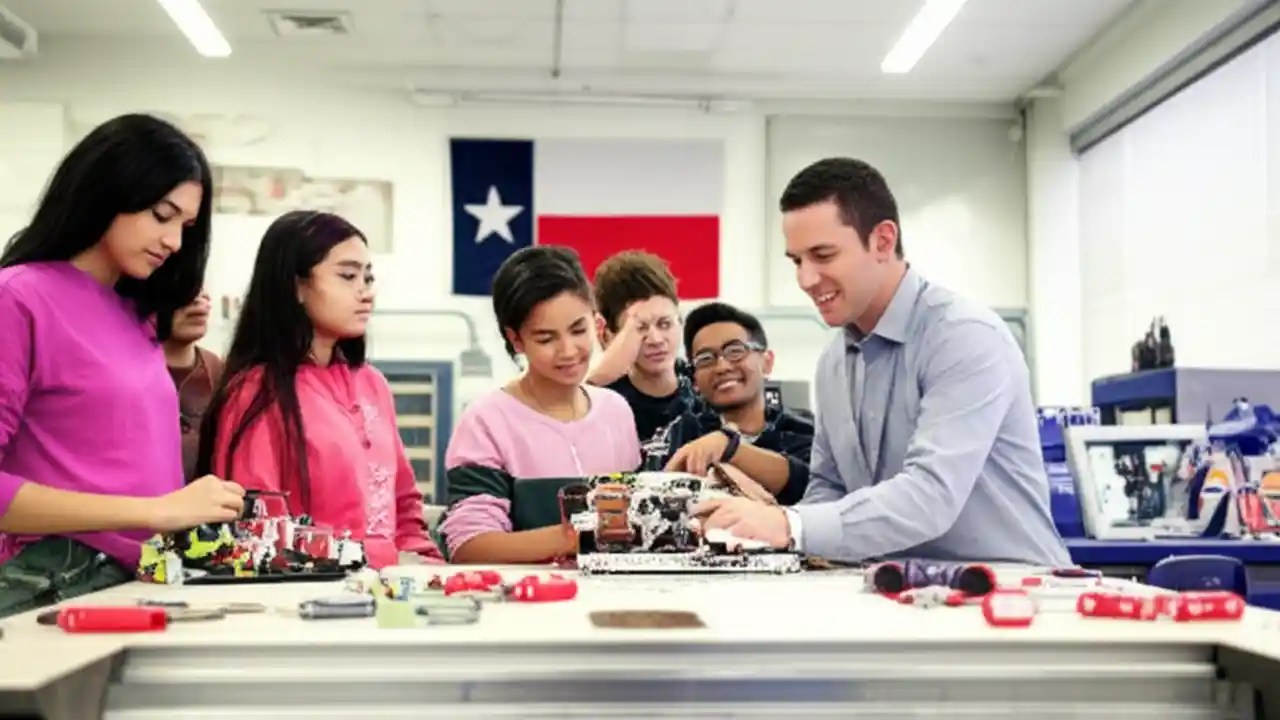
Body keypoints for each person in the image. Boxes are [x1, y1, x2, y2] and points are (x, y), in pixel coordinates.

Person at [695, 157, 1071, 567]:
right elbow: (829, 486)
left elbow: (931, 496)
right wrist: (776, 542)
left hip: (1011, 599)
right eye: (797, 261)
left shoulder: (965, 338)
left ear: (883, 241)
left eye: (823, 255)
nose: (805, 279)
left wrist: (790, 525)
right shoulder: (833, 363)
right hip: (898, 594)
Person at [0, 114, 246, 617]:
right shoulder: (19, 298)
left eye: (186, 226)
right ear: (107, 191)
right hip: (50, 580)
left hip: (135, 580)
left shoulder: (135, 315)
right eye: (162, 214)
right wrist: (155, 510)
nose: (175, 241)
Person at [196, 210, 442, 569]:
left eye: (368, 277)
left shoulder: (372, 384)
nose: (365, 291)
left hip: (388, 590)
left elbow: (403, 501)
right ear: (295, 285)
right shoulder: (256, 391)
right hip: (304, 597)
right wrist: (378, 558)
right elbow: (255, 529)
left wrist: (426, 564)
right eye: (347, 276)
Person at [441, 246, 641, 564]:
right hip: (527, 603)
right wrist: (577, 535)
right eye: (546, 338)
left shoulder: (616, 411)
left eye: (578, 330)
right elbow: (469, 545)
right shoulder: (487, 421)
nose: (568, 350)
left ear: (596, 321)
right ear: (516, 339)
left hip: (611, 603)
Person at [658, 302, 814, 506]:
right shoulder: (683, 431)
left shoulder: (801, 428)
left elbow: (808, 482)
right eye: (705, 358)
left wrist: (728, 447)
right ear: (695, 381)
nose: (722, 367)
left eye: (735, 351)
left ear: (767, 362)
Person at [586, 251, 701, 443]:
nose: (655, 339)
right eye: (639, 328)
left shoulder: (703, 389)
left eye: (665, 324)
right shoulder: (596, 403)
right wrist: (596, 379)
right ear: (606, 336)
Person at [159, 290, 224, 483]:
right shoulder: (122, 375)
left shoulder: (219, 372)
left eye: (202, 288)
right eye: (185, 286)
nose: (198, 299)